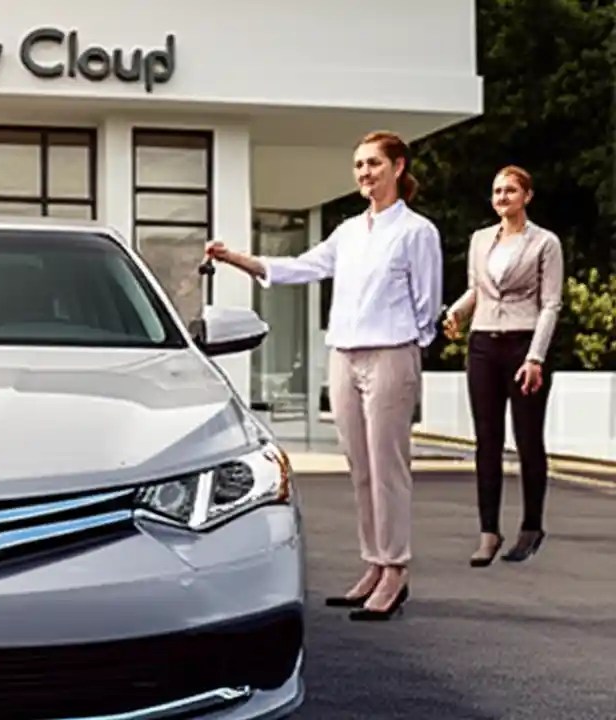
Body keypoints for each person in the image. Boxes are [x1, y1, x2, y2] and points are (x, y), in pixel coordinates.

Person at [204, 130, 443, 621]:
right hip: (344, 355)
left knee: (388, 467)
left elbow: (427, 302)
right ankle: (374, 563)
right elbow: (301, 268)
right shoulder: (349, 231)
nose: (364, 172)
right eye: (359, 165)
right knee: (360, 467)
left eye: (373, 163)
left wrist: (411, 346)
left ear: (398, 167)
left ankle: (395, 569)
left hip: (390, 354)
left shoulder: (416, 231)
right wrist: (235, 259)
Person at [443, 165, 563, 567]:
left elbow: (551, 304)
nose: (502, 197)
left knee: (528, 440)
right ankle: (488, 532)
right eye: (497, 191)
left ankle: (531, 526)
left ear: (527, 196)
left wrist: (535, 357)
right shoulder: (480, 240)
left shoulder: (545, 242)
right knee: (486, 441)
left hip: (523, 345)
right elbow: (476, 289)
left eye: (510, 190)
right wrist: (456, 313)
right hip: (482, 344)